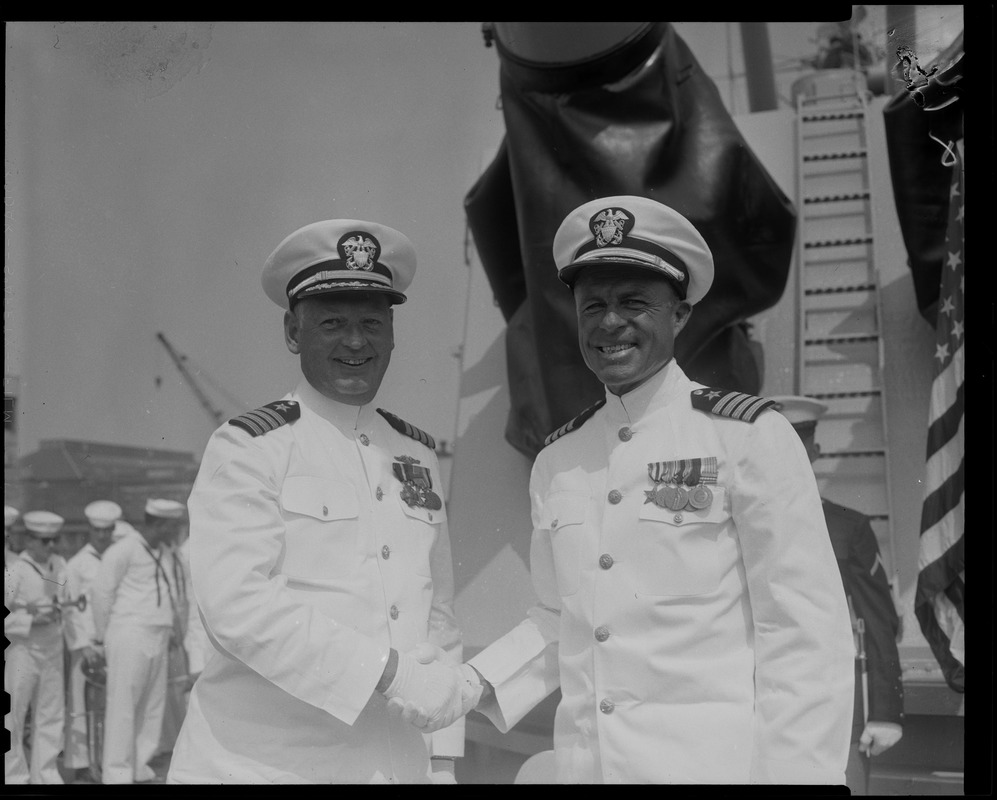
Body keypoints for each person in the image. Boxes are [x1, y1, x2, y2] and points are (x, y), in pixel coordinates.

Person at [408, 196, 856, 783]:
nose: (610, 323)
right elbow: (562, 619)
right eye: (592, 305)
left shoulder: (746, 436)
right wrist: (472, 683)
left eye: (634, 302)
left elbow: (804, 633)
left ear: (680, 314)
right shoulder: (559, 461)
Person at [167, 218, 480, 784]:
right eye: (332, 322)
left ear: (392, 333)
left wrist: (442, 761)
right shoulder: (250, 446)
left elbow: (437, 615)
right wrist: (388, 673)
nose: (355, 342)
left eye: (372, 323)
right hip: (265, 767)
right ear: (293, 332)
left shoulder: (415, 453)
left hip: (393, 766)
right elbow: (237, 605)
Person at [771, 395, 905, 794]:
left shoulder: (848, 527)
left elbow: (877, 620)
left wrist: (884, 710)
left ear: (815, 451)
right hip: (758, 701)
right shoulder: (731, 523)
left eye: (799, 445)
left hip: (833, 706)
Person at [91, 497, 187, 784]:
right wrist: (101, 637)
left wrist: (171, 628)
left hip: (158, 633)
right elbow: (101, 594)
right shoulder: (124, 550)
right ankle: (117, 774)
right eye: (171, 526)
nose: (175, 532)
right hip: (129, 632)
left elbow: (170, 594)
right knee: (123, 705)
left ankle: (138, 766)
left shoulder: (167, 553)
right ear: (157, 524)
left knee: (152, 706)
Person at [4, 510, 69, 784]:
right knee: (14, 714)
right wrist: (30, 620)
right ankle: (13, 776)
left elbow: (67, 600)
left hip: (52, 648)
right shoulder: (15, 569)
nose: (51, 546)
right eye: (44, 541)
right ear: (29, 541)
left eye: (54, 540)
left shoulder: (60, 564)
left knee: (51, 714)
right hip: (22, 650)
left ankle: (46, 774)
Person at [61, 499, 121, 781]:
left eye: (107, 530)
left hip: (113, 641)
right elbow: (70, 609)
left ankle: (109, 759)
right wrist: (82, 645)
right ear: (89, 530)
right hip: (85, 644)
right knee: (80, 704)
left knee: (113, 703)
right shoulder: (77, 564)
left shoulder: (119, 558)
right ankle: (83, 763)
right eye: (98, 530)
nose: (102, 536)